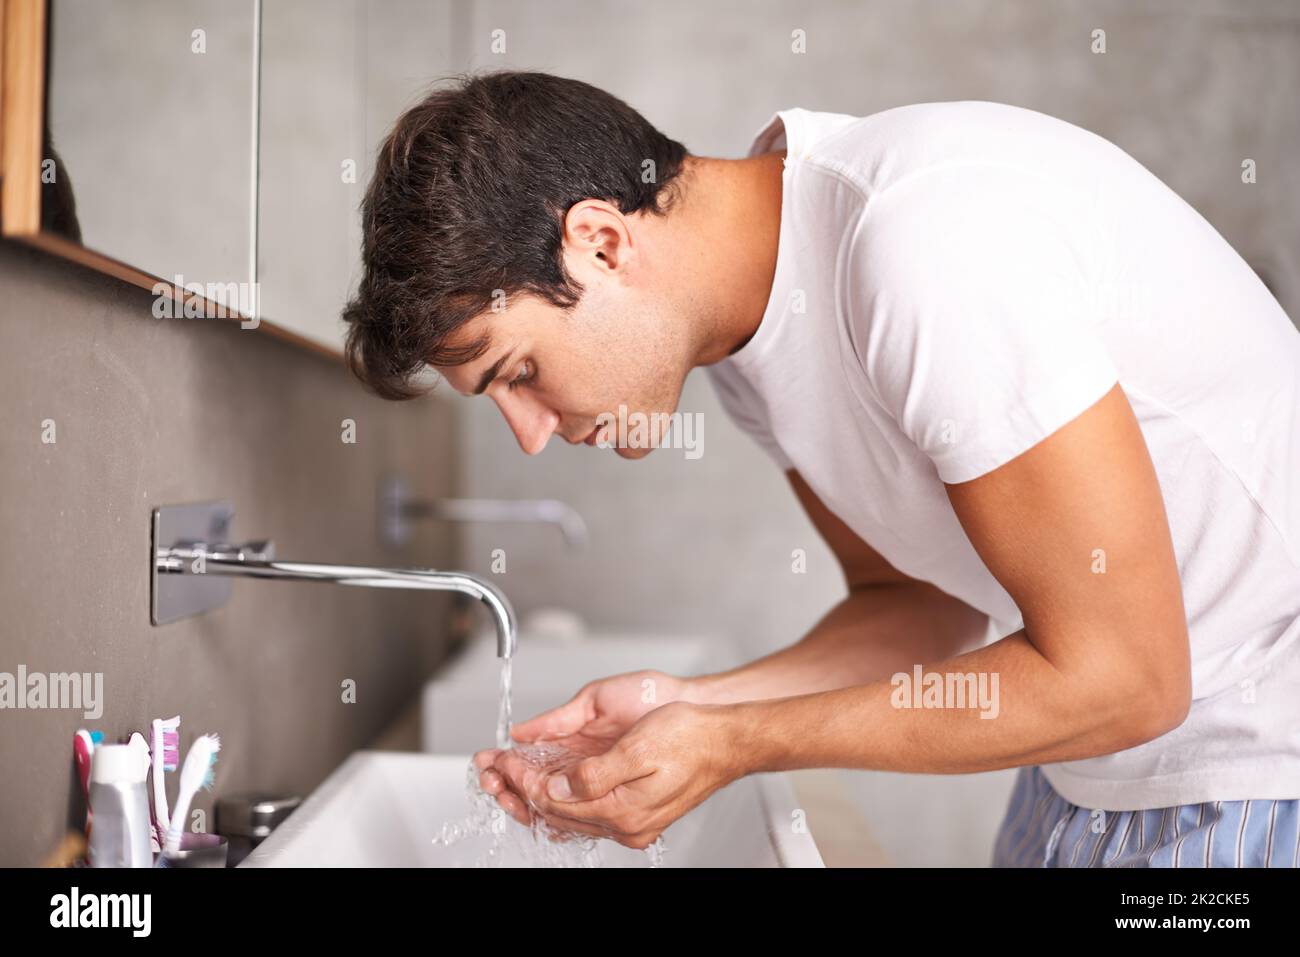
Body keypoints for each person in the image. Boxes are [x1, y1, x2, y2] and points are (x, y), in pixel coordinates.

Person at [343, 70, 1300, 867]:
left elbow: (1127, 678)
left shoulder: (922, 246)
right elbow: (917, 605)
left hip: (1258, 776)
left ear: (599, 240)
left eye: (518, 372)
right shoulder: (752, 345)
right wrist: (694, 706)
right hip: (1094, 780)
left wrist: (736, 743)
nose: (529, 433)